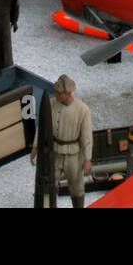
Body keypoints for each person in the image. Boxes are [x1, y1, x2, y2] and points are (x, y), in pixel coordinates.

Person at [31, 74, 93, 209]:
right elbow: (42, 127)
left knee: (77, 187)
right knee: (50, 184)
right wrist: (36, 147)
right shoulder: (52, 105)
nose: (57, 95)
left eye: (59, 93)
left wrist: (87, 159)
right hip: (55, 153)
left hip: (74, 156)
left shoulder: (82, 110)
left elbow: (87, 137)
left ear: (67, 93)